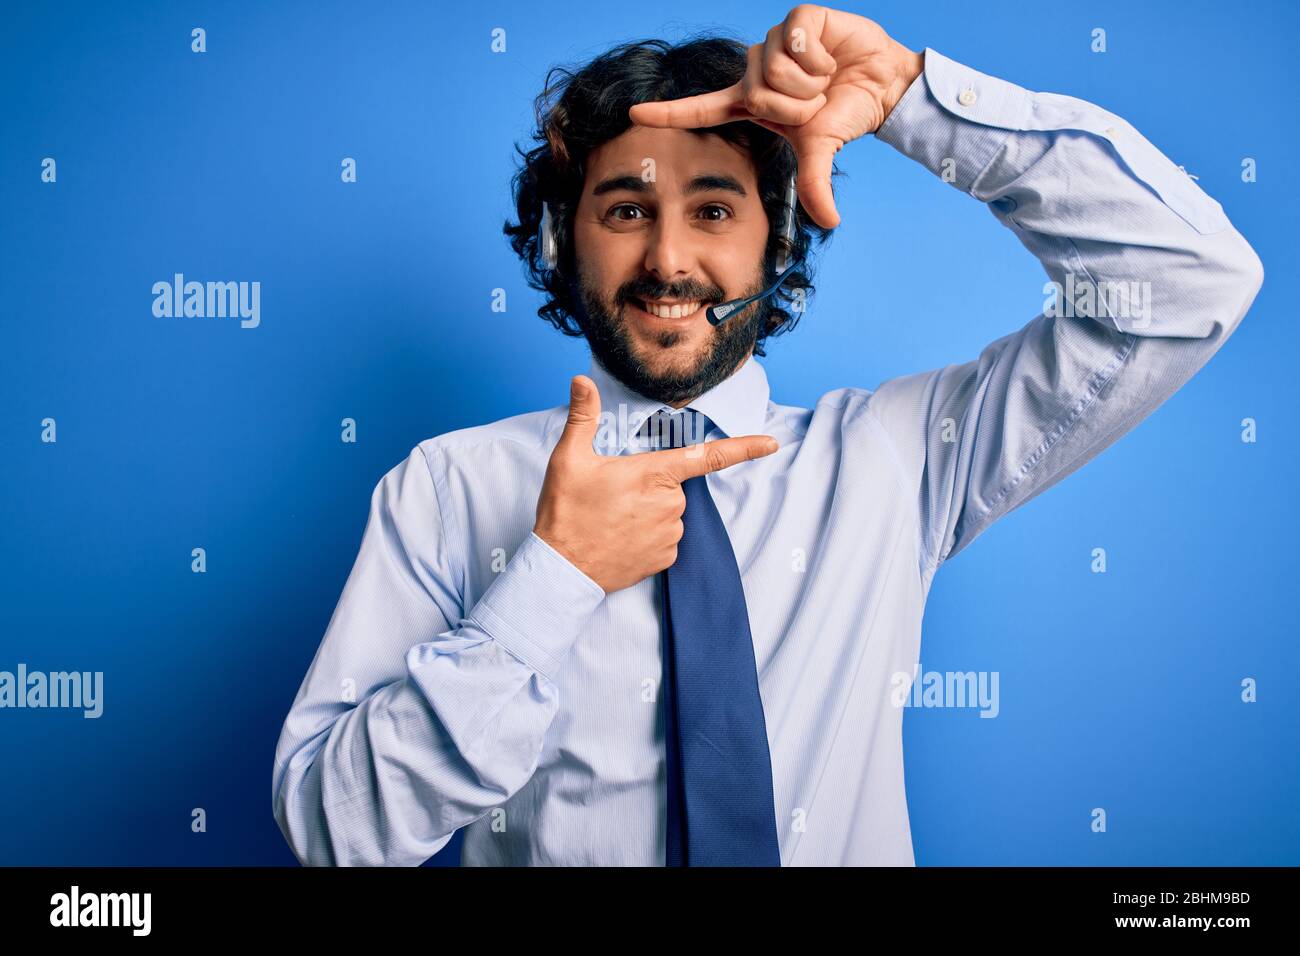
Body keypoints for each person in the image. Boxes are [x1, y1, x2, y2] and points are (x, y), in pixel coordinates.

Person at [272, 5, 1263, 866]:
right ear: (561, 238)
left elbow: (1188, 282)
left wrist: (916, 100)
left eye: (713, 208)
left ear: (775, 241)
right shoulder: (445, 488)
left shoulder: (896, 459)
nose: (668, 258)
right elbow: (335, 831)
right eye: (625, 209)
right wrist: (551, 578)